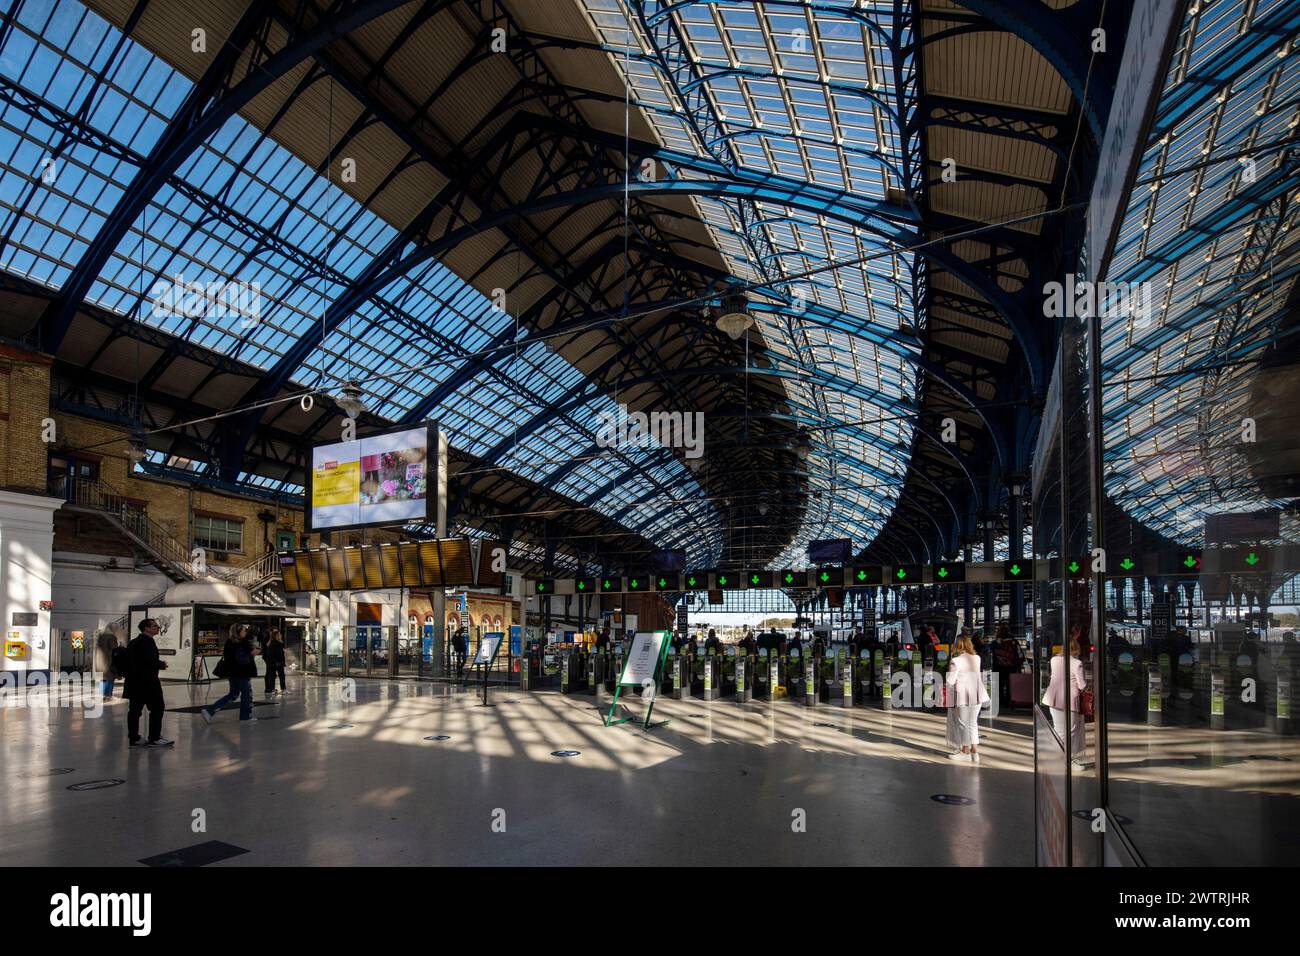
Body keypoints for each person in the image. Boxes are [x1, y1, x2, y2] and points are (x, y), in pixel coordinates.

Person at [124, 618, 173, 747]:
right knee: (157, 708)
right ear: (147, 628)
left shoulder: (134, 642)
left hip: (134, 682)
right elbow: (149, 661)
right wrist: (162, 664)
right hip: (148, 683)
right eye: (154, 626)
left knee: (134, 711)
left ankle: (134, 738)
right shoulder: (147, 642)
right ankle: (155, 737)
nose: (157, 627)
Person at [1043, 636, 1088, 767]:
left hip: (1053, 699)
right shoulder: (1077, 663)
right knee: (1071, 731)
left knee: (1058, 729)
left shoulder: (1054, 660)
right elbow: (1082, 685)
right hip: (1069, 701)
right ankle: (1063, 759)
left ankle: (1059, 756)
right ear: (1076, 649)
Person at [201, 624, 259, 724]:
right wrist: (251, 653)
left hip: (232, 673)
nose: (245, 632)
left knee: (233, 694)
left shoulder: (229, 642)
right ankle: (245, 717)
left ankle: (209, 711)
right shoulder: (242, 643)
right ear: (238, 632)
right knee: (246, 694)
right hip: (242, 673)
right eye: (243, 630)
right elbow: (242, 659)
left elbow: (232, 658)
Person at [945, 635, 989, 761]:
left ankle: (965, 752)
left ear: (957, 646)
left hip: (963, 696)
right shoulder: (977, 658)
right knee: (973, 723)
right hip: (978, 694)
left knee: (963, 724)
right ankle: (975, 752)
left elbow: (950, 681)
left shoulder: (955, 661)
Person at [991, 623, 1023, 709]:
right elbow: (1020, 656)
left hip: (998, 668)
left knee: (999, 685)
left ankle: (1000, 702)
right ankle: (1009, 702)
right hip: (1011, 668)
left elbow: (991, 656)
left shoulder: (994, 643)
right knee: (1010, 685)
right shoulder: (1014, 642)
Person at [93, 629, 121, 700]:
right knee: (109, 681)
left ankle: (103, 697)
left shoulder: (100, 638)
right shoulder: (111, 638)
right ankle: (107, 697)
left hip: (100, 665)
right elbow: (115, 650)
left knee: (103, 681)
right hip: (108, 664)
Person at [263, 627, 287, 697]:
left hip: (271, 662)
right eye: (277, 633)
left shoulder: (272, 643)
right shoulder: (277, 643)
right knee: (278, 676)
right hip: (275, 662)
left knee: (271, 676)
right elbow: (279, 654)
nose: (281, 635)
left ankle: (271, 689)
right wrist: (282, 662)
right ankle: (281, 689)